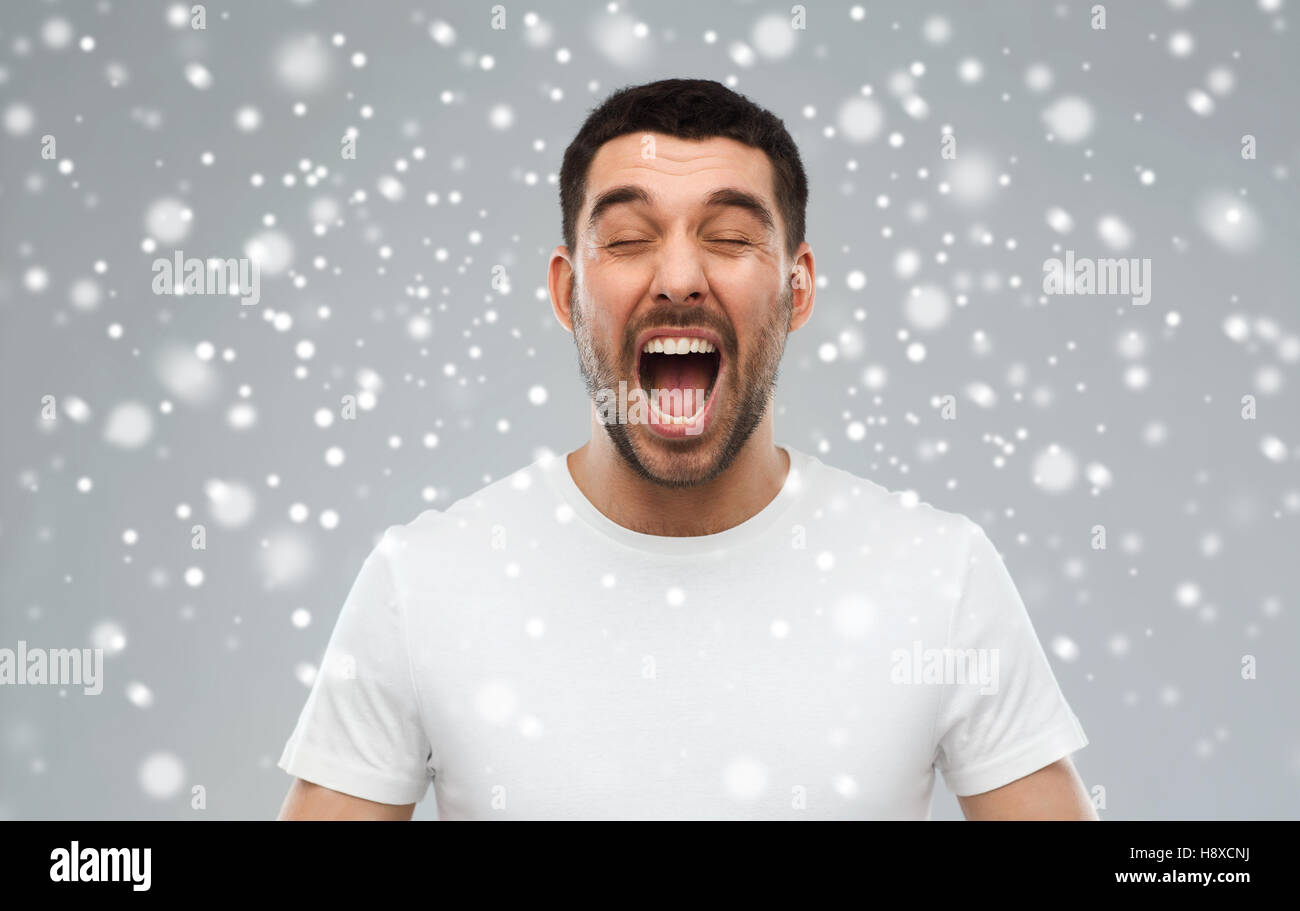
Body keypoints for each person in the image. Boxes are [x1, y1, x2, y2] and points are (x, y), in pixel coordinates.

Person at [277, 78, 1094, 820]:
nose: (678, 276)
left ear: (797, 288)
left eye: (732, 237)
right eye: (628, 238)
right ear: (567, 292)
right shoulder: (423, 582)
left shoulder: (939, 574)